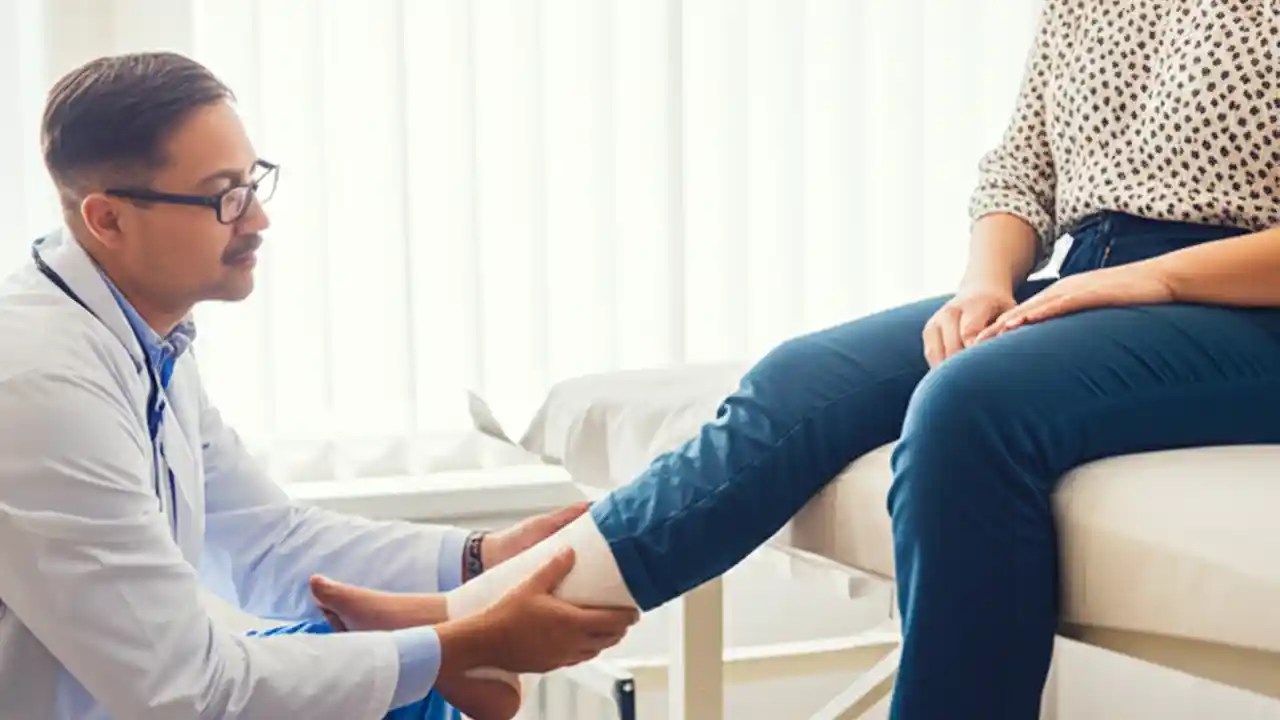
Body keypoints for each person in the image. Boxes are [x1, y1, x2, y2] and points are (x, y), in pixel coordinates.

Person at [310, 1, 1280, 717]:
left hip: (1247, 305)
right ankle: (470, 627)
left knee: (967, 406)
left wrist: (1158, 283)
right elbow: (1018, 167)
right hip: (1085, 279)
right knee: (801, 378)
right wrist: (985, 281)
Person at [0, 53, 637, 720]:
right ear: (109, 221)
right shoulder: (40, 389)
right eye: (224, 196)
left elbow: (269, 541)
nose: (256, 220)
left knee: (399, 685)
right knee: (405, 682)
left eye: (253, 183)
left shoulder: (144, 338)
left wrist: (482, 558)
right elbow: (187, 688)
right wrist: (467, 640)